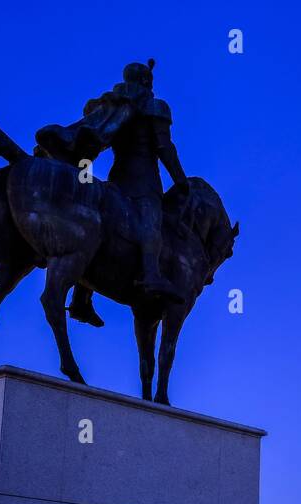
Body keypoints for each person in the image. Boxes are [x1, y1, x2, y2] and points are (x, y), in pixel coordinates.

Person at [36, 59, 189, 323]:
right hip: (144, 184)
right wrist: (181, 180)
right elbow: (165, 148)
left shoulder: (117, 106)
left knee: (99, 229)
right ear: (146, 82)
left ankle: (81, 299)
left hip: (117, 179)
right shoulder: (154, 107)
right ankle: (151, 274)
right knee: (151, 224)